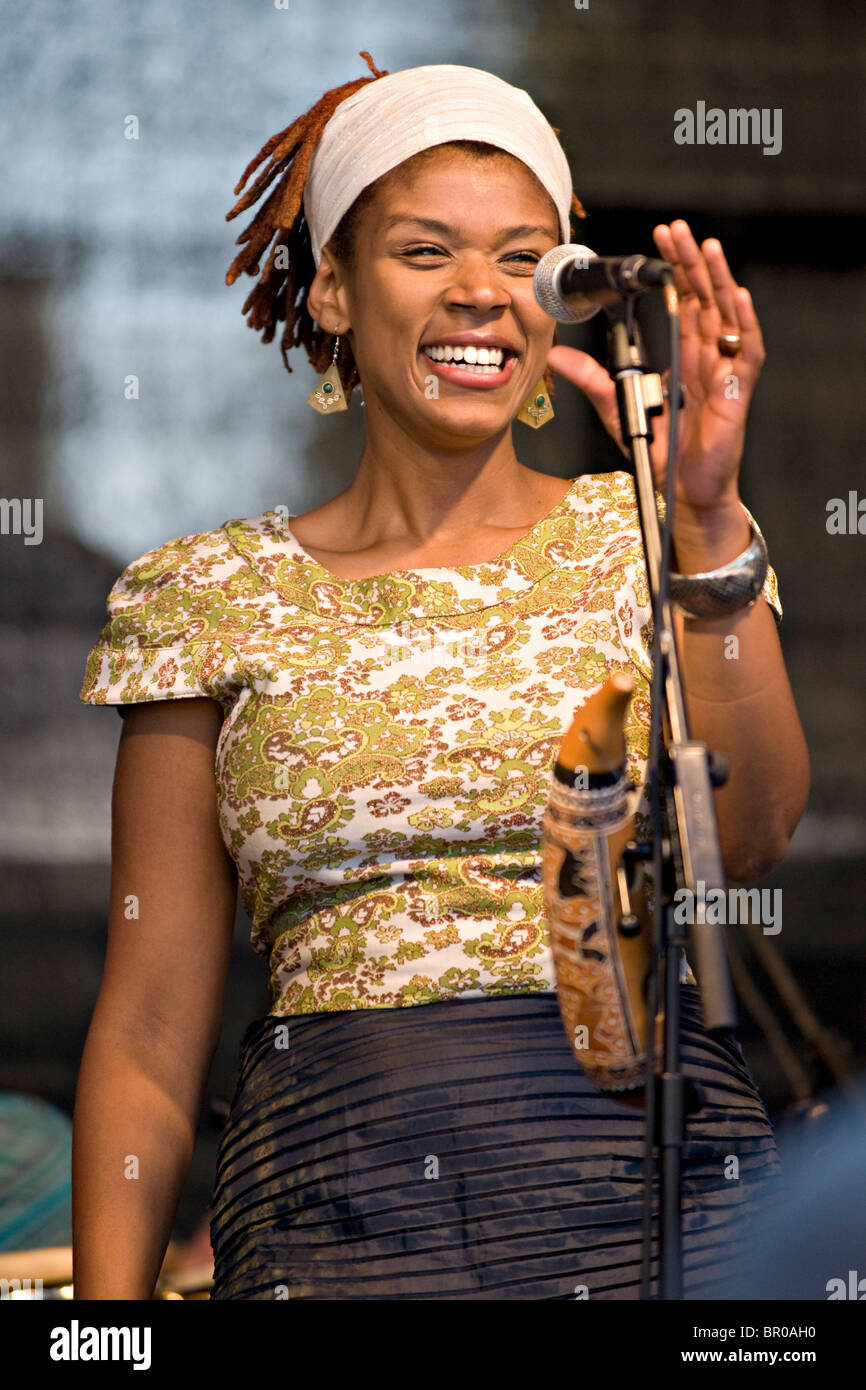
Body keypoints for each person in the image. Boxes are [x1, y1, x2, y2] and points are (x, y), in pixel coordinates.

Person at [72, 53, 810, 1300]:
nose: (483, 293)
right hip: (337, 1213)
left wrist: (703, 520)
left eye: (526, 259)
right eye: (425, 254)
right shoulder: (205, 597)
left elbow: (747, 840)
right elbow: (148, 1027)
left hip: (655, 1212)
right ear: (333, 295)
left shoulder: (643, 537)